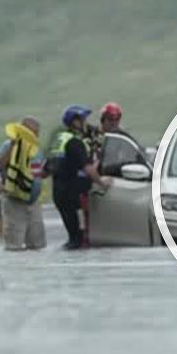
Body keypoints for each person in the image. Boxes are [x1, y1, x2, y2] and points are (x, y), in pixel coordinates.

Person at [48, 105, 110, 249]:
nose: (85, 123)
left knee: (73, 234)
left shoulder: (59, 139)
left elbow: (46, 169)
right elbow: (87, 168)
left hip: (58, 191)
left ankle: (72, 250)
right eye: (83, 120)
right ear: (75, 122)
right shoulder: (75, 142)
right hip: (73, 193)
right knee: (79, 238)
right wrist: (101, 182)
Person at [0, 115, 47, 251]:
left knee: (37, 244)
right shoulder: (8, 145)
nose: (36, 135)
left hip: (33, 200)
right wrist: (13, 146)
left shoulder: (36, 148)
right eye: (34, 132)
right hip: (15, 200)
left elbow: (39, 171)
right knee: (14, 245)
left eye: (37, 132)